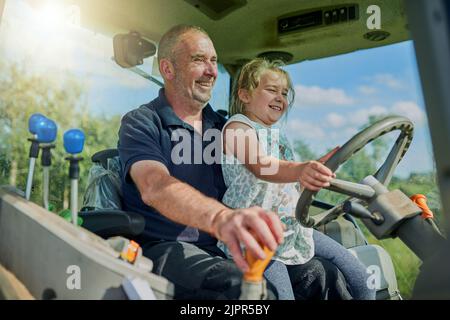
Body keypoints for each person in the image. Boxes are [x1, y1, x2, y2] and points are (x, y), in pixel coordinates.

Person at [118, 24, 352, 299]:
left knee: (325, 275)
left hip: (231, 244)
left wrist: (306, 175)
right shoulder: (143, 122)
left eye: (214, 61)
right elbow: (154, 185)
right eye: (198, 60)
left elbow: (265, 174)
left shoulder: (225, 126)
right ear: (168, 70)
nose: (212, 71)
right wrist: (222, 218)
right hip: (171, 246)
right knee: (247, 289)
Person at [218, 58, 376, 300]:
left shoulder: (278, 136)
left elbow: (289, 184)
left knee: (362, 278)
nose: (280, 97)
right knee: (282, 294)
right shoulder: (238, 127)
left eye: (284, 92)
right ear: (245, 95)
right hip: (255, 235)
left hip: (293, 227)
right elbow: (261, 165)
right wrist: (301, 168)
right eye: (271, 90)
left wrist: (317, 169)